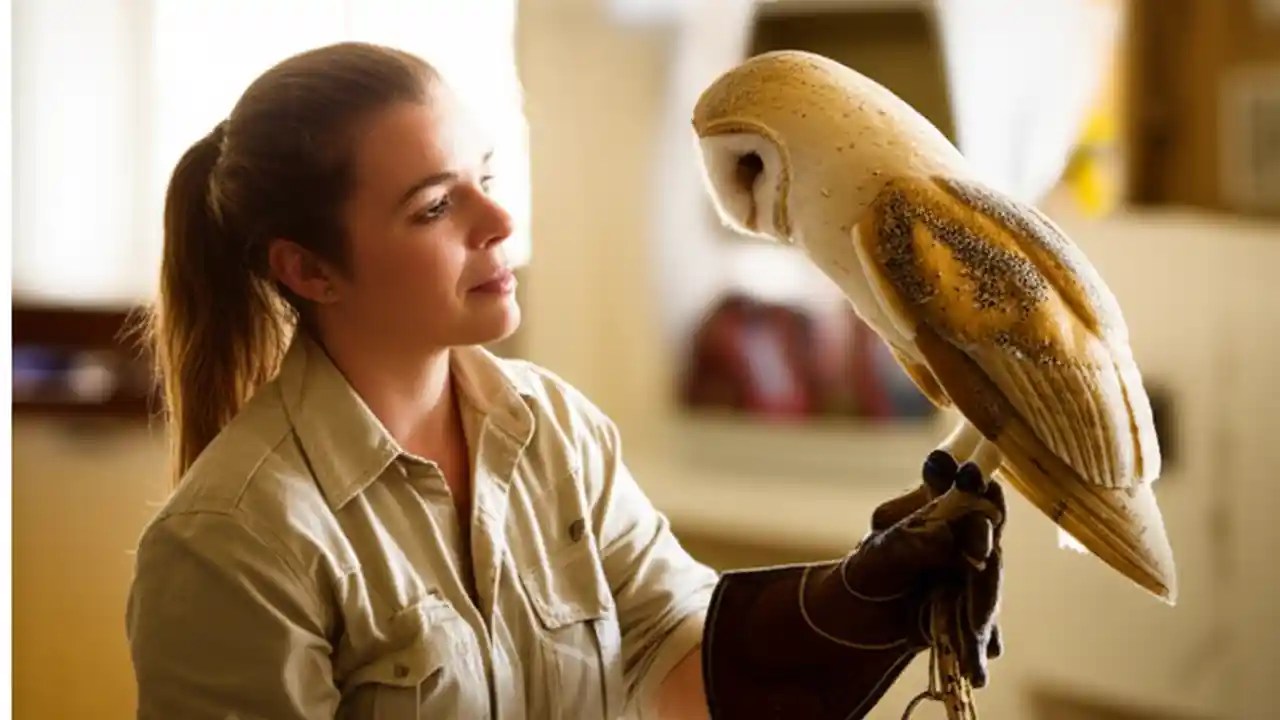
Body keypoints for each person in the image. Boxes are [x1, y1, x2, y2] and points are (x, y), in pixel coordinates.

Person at [125, 41, 1005, 720]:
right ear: (311, 271)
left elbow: (680, 666)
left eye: (488, 178)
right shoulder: (232, 542)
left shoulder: (555, 432)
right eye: (436, 207)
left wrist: (864, 599)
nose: (499, 220)